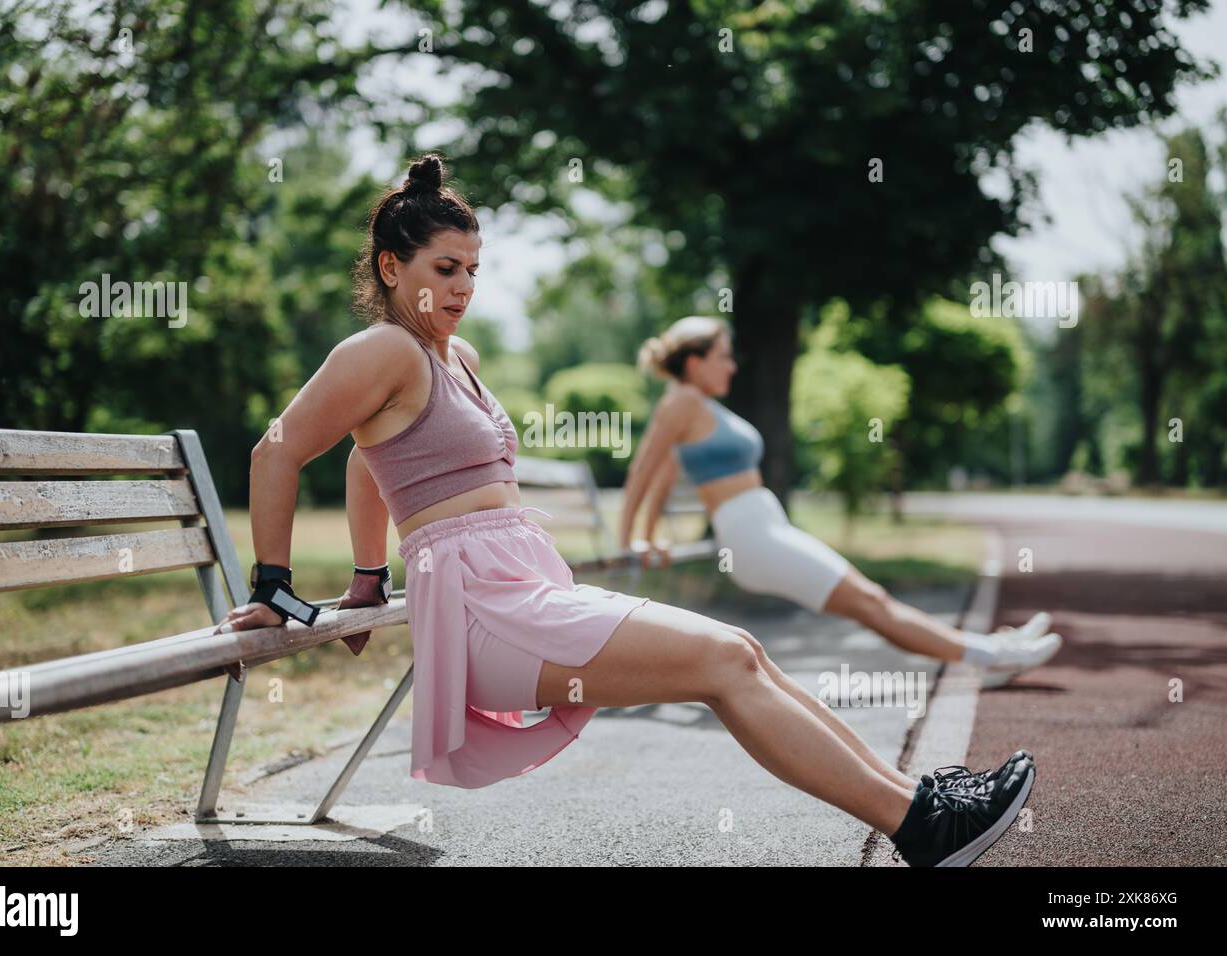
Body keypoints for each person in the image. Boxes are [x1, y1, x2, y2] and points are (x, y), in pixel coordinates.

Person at [212, 153, 1035, 866]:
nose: (463, 286)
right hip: (480, 606)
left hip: (517, 585)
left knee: (739, 649)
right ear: (392, 269)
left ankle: (917, 799)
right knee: (723, 663)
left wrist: (366, 576)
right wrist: (275, 583)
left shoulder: (448, 354)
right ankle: (920, 827)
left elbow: (369, 461)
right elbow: (277, 450)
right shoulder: (380, 349)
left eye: (472, 268)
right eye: (443, 269)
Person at [621, 315, 1063, 689]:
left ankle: (993, 653)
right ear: (695, 362)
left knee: (872, 603)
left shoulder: (693, 405)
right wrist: (632, 542)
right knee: (872, 602)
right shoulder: (681, 402)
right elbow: (644, 472)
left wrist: (646, 536)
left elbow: (663, 477)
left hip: (765, 531)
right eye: (723, 356)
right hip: (752, 539)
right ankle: (992, 657)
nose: (732, 367)